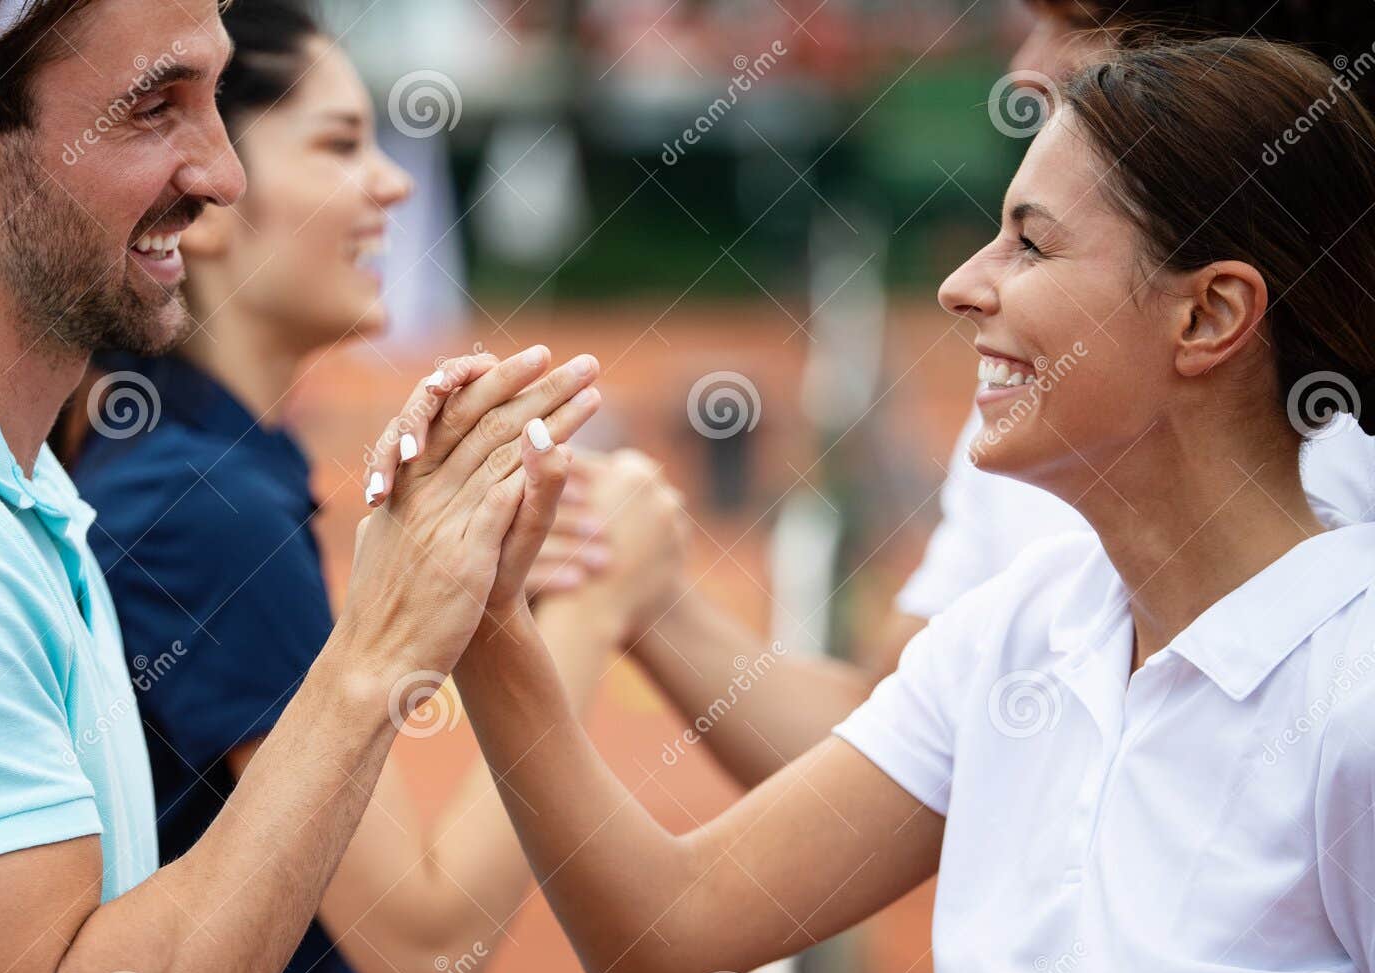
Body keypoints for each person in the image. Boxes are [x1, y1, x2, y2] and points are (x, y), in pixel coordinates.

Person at [393, 37, 1375, 973]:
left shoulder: (1347, 694)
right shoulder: (1019, 628)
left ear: (1210, 312)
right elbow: (660, 927)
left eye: (1031, 246)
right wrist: (491, 617)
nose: (958, 284)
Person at [0, 0, 592, 973]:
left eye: (215, 104)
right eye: (153, 108)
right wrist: (380, 646)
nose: (222, 177)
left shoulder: (2, 489)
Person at [64, 0, 681, 973]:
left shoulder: (203, 463)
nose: (392, 183)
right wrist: (594, 603)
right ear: (206, 195)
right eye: (342, 145)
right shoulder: (199, 505)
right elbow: (426, 935)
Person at [576, 0, 1375, 797]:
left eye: (1071, 23)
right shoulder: (1031, 403)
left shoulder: (1344, 579)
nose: (1020, 66)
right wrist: (632, 582)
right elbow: (887, 745)